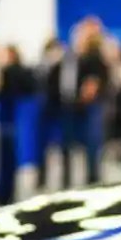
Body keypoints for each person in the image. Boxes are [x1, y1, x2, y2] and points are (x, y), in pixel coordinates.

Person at [0, 45, 35, 207]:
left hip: (8, 121)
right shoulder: (20, 72)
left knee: (6, 158)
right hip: (10, 121)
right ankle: (6, 192)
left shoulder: (9, 73)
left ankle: (4, 193)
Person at [35, 37, 78, 191]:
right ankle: (41, 179)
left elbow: (68, 89)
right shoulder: (42, 68)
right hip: (47, 110)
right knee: (43, 146)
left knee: (65, 146)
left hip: (63, 110)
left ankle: (66, 181)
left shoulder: (67, 67)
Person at [74, 20, 111, 185]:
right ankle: (92, 175)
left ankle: (93, 177)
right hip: (93, 105)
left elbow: (91, 85)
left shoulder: (93, 57)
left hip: (93, 106)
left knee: (92, 143)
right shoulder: (93, 56)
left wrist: (83, 97)